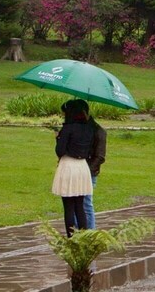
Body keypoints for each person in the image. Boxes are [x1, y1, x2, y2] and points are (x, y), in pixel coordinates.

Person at [53, 99, 107, 235]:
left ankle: (72, 237)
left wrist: (59, 138)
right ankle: (84, 236)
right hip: (82, 166)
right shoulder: (89, 129)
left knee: (70, 207)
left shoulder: (69, 128)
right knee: (80, 207)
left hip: (71, 166)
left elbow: (60, 150)